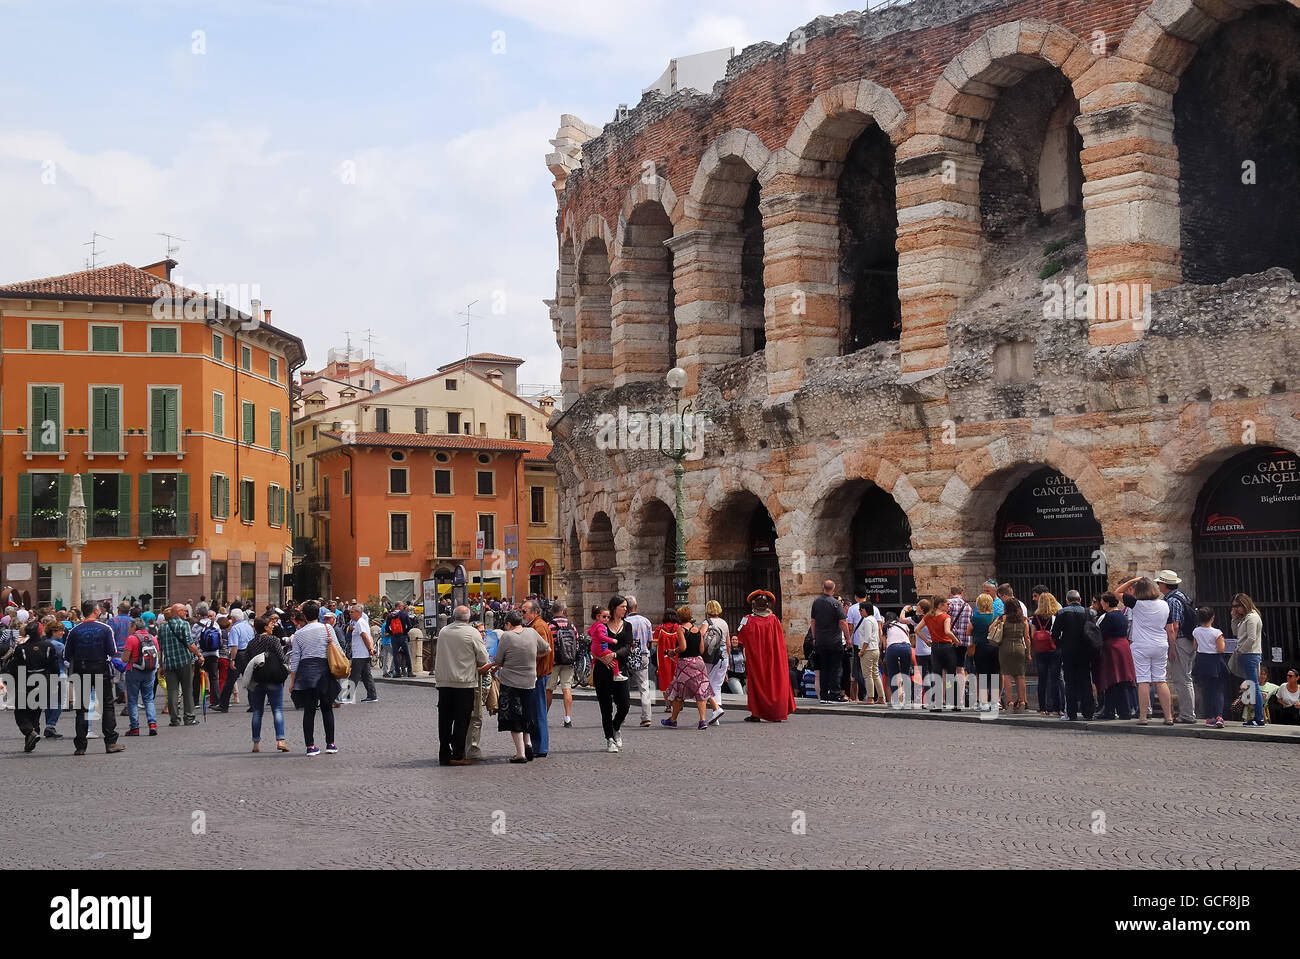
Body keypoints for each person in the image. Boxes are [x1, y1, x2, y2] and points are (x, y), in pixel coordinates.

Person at [64, 600, 125, 755]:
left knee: (82, 708)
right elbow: (112, 651)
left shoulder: (74, 630)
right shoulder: (105, 629)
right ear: (96, 611)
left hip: (81, 669)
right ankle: (110, 742)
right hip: (100, 668)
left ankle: (80, 746)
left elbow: (66, 655)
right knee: (107, 705)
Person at [287, 601, 345, 756]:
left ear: (304, 616)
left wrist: (292, 682)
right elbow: (338, 649)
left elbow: (295, 659)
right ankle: (330, 744)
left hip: (306, 673)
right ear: (318, 613)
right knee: (327, 709)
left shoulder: (299, 634)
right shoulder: (327, 628)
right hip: (325, 671)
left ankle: (310, 746)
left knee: (309, 711)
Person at [491, 610, 549, 764]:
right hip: (530, 680)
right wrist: (532, 656)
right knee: (527, 713)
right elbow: (546, 649)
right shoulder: (531, 632)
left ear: (509, 624)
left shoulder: (507, 636)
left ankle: (520, 753)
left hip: (511, 681)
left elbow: (499, 659)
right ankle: (528, 743)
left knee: (514, 716)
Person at [437, 606, 491, 765]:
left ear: (453, 617)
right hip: (464, 682)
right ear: (468, 619)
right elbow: (483, 658)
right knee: (462, 720)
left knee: (445, 719)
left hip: (444, 682)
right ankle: (457, 754)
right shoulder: (472, 633)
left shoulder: (444, 631)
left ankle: (444, 754)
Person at [1117, 577, 1175, 726]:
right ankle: (1169, 717)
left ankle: (1143, 717)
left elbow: (1118, 592)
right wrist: (1172, 648)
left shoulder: (1136, 604)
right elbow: (1171, 628)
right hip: (1160, 644)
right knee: (1161, 680)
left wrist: (1133, 580)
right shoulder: (1164, 605)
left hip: (1141, 645)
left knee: (1143, 680)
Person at [730, 589, 793, 722]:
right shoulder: (774, 619)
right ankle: (776, 713)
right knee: (773, 683)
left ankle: (756, 713)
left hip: (756, 658)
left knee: (756, 683)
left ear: (753, 604)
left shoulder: (747, 619)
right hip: (773, 657)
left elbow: (740, 638)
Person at [660, 606, 724, 730]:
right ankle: (702, 720)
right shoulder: (697, 630)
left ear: (679, 617)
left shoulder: (681, 629)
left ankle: (673, 720)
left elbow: (683, 647)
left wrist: (673, 651)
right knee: (700, 691)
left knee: (679, 691)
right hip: (699, 661)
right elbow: (701, 649)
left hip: (686, 663)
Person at [242, 614, 290, 753]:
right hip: (274, 678)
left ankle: (256, 743)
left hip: (257, 680)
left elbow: (246, 661)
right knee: (277, 710)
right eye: (270, 625)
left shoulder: (252, 643)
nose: (273, 626)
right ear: (265, 627)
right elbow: (282, 658)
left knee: (257, 712)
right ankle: (280, 740)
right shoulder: (274, 640)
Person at [8, 621, 58, 752]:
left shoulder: (22, 648)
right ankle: (31, 738)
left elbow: (14, 667)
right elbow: (54, 667)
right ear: (40, 632)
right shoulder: (48, 647)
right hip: (43, 681)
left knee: (20, 711)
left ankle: (29, 732)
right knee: (35, 712)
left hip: (26, 682)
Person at [1154, 570, 1196, 723]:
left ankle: (1187, 715)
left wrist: (1171, 647)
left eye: (1159, 583)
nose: (1158, 585)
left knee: (1182, 679)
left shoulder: (1171, 601)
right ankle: (1188, 713)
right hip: (1186, 641)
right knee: (1185, 678)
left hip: (1179, 641)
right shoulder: (1182, 596)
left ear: (1165, 584)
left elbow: (1174, 626)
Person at [593, 596, 634, 751]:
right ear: (614, 607)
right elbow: (593, 646)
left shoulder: (627, 626)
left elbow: (628, 646)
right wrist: (602, 658)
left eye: (626, 607)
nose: (625, 609)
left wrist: (615, 655)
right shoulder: (602, 624)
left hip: (621, 668)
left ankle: (616, 726)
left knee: (624, 705)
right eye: (622, 606)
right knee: (606, 707)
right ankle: (609, 738)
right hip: (602, 670)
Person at [1052, 591, 1094, 722]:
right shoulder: (1088, 612)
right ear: (1080, 599)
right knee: (1086, 681)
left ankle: (1072, 713)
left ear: (1067, 600)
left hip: (1068, 651)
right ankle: (1088, 712)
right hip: (1084, 651)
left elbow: (1055, 634)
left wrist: (1061, 645)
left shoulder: (1062, 613)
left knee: (1070, 683)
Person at [158, 604, 202, 727]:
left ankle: (174, 719)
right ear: (178, 612)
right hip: (184, 661)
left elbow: (160, 649)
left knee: (172, 691)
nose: (186, 613)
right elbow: (189, 643)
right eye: (185, 611)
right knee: (187, 689)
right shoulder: (184, 624)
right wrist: (199, 654)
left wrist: (161, 665)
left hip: (169, 663)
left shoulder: (162, 627)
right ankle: (189, 717)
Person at [1096, 592, 1137, 720]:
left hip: (1112, 648)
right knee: (1122, 680)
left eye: (1102, 601)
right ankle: (1124, 710)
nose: (1101, 603)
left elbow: (1100, 633)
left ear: (1107, 603)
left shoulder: (1109, 617)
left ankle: (1109, 710)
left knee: (1112, 680)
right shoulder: (1121, 615)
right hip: (1123, 647)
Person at [522, 600, 553, 759]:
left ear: (535, 612)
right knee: (536, 710)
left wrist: (527, 658)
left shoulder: (538, 627)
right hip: (539, 673)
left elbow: (544, 649)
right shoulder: (537, 625)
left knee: (538, 711)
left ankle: (540, 746)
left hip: (539, 674)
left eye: (524, 611)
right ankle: (538, 745)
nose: (522, 614)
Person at [811, 580, 849, 703]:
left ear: (823, 588)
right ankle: (834, 694)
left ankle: (823, 695)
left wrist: (814, 637)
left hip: (821, 641)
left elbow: (813, 621)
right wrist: (848, 638)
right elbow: (843, 622)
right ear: (833, 589)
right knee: (836, 668)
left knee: (824, 667)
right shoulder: (836, 604)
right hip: (834, 641)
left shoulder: (816, 603)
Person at [1230, 593, 1266, 727]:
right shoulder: (1244, 618)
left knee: (1254, 685)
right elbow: (1235, 633)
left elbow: (1251, 638)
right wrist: (1234, 618)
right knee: (1252, 685)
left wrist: (1240, 651)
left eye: (1237, 606)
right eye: (1234, 606)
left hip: (1249, 654)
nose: (1236, 608)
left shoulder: (1251, 618)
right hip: (1247, 654)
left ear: (1244, 604)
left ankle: (1259, 718)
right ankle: (1255, 717)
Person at [1191, 606, 1227, 729]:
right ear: (1212, 618)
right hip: (1215, 661)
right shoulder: (1217, 632)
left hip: (1202, 661)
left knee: (1206, 690)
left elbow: (1195, 647)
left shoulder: (1196, 631)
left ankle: (1209, 717)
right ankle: (1219, 716)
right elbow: (1221, 648)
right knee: (1218, 690)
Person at [122, 618, 159, 737]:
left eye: (129, 627)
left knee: (132, 700)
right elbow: (158, 654)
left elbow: (125, 658)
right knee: (148, 699)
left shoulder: (131, 638)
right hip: (150, 671)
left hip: (134, 671)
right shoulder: (153, 638)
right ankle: (152, 724)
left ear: (134, 627)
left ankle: (135, 727)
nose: (128, 629)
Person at [922, 595, 959, 711]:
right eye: (947, 604)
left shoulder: (928, 617)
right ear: (940, 605)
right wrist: (956, 640)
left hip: (935, 647)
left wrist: (926, 640)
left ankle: (938, 704)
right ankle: (955, 704)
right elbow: (947, 631)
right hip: (947, 647)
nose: (949, 606)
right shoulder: (946, 617)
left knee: (937, 676)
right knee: (951, 676)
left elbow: (917, 629)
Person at [625, 596, 655, 727]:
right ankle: (646, 717)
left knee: (623, 687)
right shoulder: (646, 621)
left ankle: (622, 714)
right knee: (644, 688)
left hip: (627, 656)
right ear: (636, 606)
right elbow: (649, 642)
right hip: (642, 655)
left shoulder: (624, 622)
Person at [1030, 592, 1062, 716]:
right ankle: (1056, 708)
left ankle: (1042, 708)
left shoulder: (1036, 617)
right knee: (1055, 679)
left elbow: (1033, 635)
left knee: (1042, 679)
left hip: (1040, 651)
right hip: (1054, 649)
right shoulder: (1055, 615)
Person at [547, 603, 578, 727]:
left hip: (553, 661)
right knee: (567, 688)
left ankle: (544, 715)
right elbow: (577, 642)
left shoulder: (549, 626)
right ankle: (567, 717)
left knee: (549, 689)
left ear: (551, 612)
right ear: (563, 611)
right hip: (568, 660)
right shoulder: (571, 625)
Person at [997, 600, 1030, 713]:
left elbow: (991, 629)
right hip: (1019, 647)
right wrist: (1028, 653)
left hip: (1005, 648)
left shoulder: (1003, 618)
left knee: (1007, 675)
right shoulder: (1024, 620)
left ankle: (1009, 702)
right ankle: (1021, 702)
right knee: (1020, 676)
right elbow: (1027, 638)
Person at [215, 608, 249, 712]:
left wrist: (232, 659)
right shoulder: (248, 626)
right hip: (248, 653)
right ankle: (254, 703)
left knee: (230, 681)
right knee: (249, 679)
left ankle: (223, 705)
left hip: (238, 654)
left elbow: (234, 646)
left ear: (233, 618)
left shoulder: (235, 628)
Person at [968, 593, 998, 711]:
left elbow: (968, 631)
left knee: (982, 675)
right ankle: (995, 702)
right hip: (993, 647)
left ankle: (984, 703)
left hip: (980, 647)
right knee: (994, 675)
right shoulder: (995, 616)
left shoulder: (975, 617)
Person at [853, 599, 884, 704]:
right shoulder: (873, 619)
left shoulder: (866, 621)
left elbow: (867, 638)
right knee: (875, 674)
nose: (860, 612)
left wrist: (862, 651)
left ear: (865, 610)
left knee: (868, 675)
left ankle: (870, 698)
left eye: (861, 610)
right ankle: (881, 697)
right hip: (875, 649)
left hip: (868, 650)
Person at [882, 610, 915, 707]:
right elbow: (908, 638)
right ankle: (908, 700)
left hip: (892, 648)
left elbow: (884, 644)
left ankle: (896, 700)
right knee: (906, 674)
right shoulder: (903, 625)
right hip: (906, 647)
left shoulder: (886, 626)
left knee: (893, 674)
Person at [346, 605, 378, 703]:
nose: (350, 614)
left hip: (359, 654)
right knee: (366, 676)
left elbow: (365, 636)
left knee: (354, 676)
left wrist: (370, 648)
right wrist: (371, 649)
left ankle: (346, 697)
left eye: (352, 612)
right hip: (363, 654)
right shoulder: (361, 623)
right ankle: (372, 695)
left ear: (358, 613)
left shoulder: (360, 623)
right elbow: (370, 637)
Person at [702, 600, 731, 707]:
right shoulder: (724, 623)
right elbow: (728, 644)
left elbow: (701, 635)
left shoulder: (707, 622)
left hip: (710, 656)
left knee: (706, 682)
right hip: (723, 656)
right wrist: (728, 660)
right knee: (717, 685)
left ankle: (712, 711)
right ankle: (717, 709)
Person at [587, 606, 626, 681]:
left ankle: (592, 666)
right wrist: (612, 640)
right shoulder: (601, 626)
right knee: (613, 657)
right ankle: (616, 674)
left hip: (594, 648)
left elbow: (589, 632)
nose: (607, 619)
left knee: (596, 657)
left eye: (608, 617)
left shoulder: (594, 625)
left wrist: (594, 637)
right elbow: (601, 636)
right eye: (604, 617)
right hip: (600, 648)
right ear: (598, 616)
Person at [653, 610, 679, 703]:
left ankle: (668, 705)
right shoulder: (678, 628)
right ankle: (678, 703)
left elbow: (655, 644)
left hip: (663, 659)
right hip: (677, 658)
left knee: (665, 681)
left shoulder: (659, 629)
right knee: (677, 679)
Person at [387, 602, 413, 678]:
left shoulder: (390, 616)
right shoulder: (404, 614)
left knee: (395, 655)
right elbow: (409, 625)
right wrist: (405, 632)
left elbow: (387, 628)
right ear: (399, 606)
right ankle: (409, 672)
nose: (403, 607)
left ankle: (398, 672)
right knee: (407, 654)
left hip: (394, 637)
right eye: (402, 606)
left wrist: (391, 633)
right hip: (403, 636)